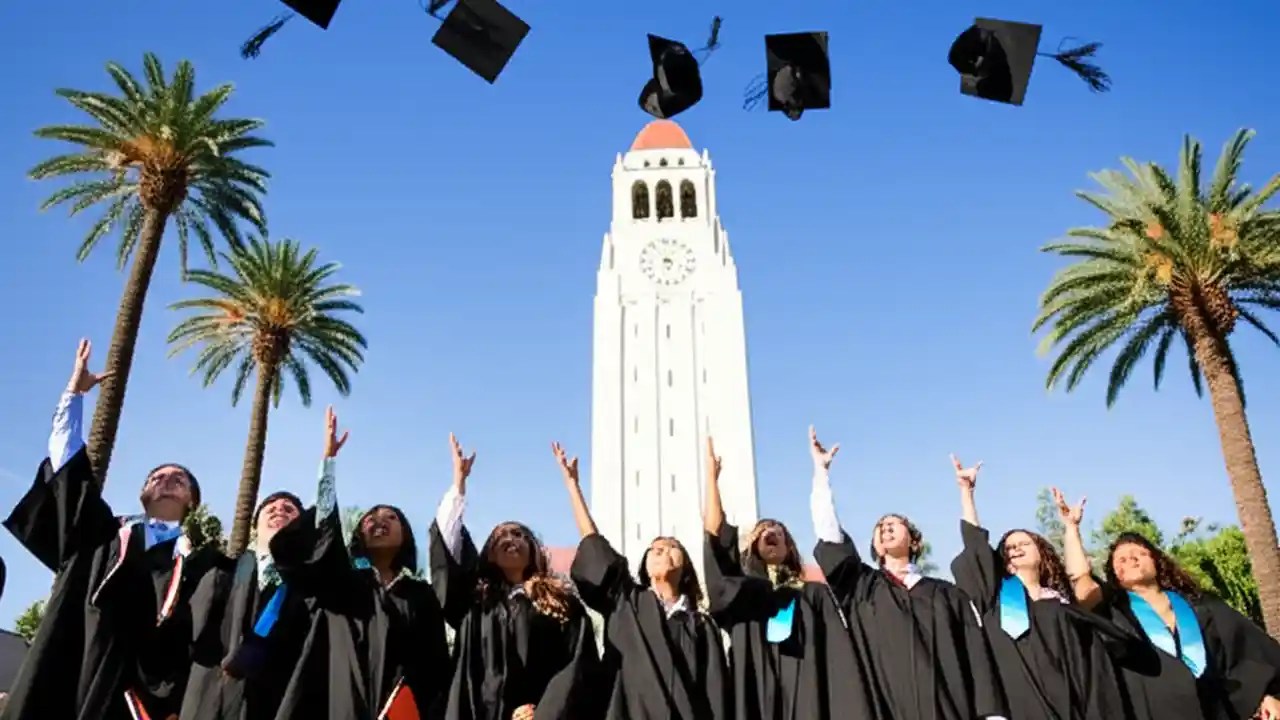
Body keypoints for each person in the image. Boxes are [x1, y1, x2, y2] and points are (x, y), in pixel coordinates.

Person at [2, 340, 223, 720]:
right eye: (158, 476)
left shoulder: (204, 566)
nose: (168, 479)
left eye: (179, 478)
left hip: (139, 696)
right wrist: (74, 393)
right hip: (73, 663)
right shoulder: (102, 533)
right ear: (142, 493)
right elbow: (68, 465)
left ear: (192, 501)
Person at [808, 427, 1007, 720]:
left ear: (915, 541)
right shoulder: (862, 586)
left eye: (894, 524)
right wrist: (821, 473)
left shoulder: (946, 594)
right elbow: (830, 536)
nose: (886, 528)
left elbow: (976, 656)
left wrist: (992, 716)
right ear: (875, 545)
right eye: (880, 527)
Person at [268, 407, 452, 719]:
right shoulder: (341, 582)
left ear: (406, 536)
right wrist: (328, 463)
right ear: (357, 535)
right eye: (371, 518)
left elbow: (436, 667)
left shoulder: (420, 595)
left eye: (391, 518)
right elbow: (324, 539)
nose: (380, 521)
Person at [1059, 489, 1280, 720]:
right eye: (1122, 559)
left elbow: (1244, 656)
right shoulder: (1114, 612)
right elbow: (1081, 583)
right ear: (1115, 573)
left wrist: (1264, 695)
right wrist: (1072, 529)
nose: (1132, 559)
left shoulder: (1201, 607)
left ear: (1156, 563)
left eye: (1140, 553)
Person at [701, 436, 877, 720]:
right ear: (753, 545)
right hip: (755, 697)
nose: (771, 532)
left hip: (809, 699)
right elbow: (716, 543)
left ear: (789, 547)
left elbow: (839, 662)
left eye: (779, 531)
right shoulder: (742, 593)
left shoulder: (813, 595)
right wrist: (711, 479)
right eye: (763, 530)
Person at [429, 433, 601, 720]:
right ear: (489, 554)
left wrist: (544, 711)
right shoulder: (475, 601)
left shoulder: (560, 604)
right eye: (502, 536)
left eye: (520, 535)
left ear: (534, 551)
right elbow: (447, 546)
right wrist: (459, 483)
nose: (511, 540)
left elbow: (577, 665)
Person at [557, 441, 731, 720]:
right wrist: (573, 487)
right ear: (645, 566)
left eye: (671, 546)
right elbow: (594, 544)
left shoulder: (702, 625)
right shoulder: (627, 602)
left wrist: (711, 479)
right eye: (655, 548)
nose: (661, 549)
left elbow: (716, 695)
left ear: (686, 566)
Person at [948, 457, 1129, 720]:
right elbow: (976, 547)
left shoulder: (1061, 605)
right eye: (1009, 547)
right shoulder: (993, 599)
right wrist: (967, 493)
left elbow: (1080, 577)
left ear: (1042, 556)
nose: (1016, 548)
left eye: (1024, 543)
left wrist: (1070, 529)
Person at [179, 485, 307, 720]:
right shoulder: (221, 570)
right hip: (206, 700)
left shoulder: (308, 587)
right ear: (255, 526)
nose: (279, 510)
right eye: (271, 508)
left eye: (289, 509)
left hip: (271, 703)